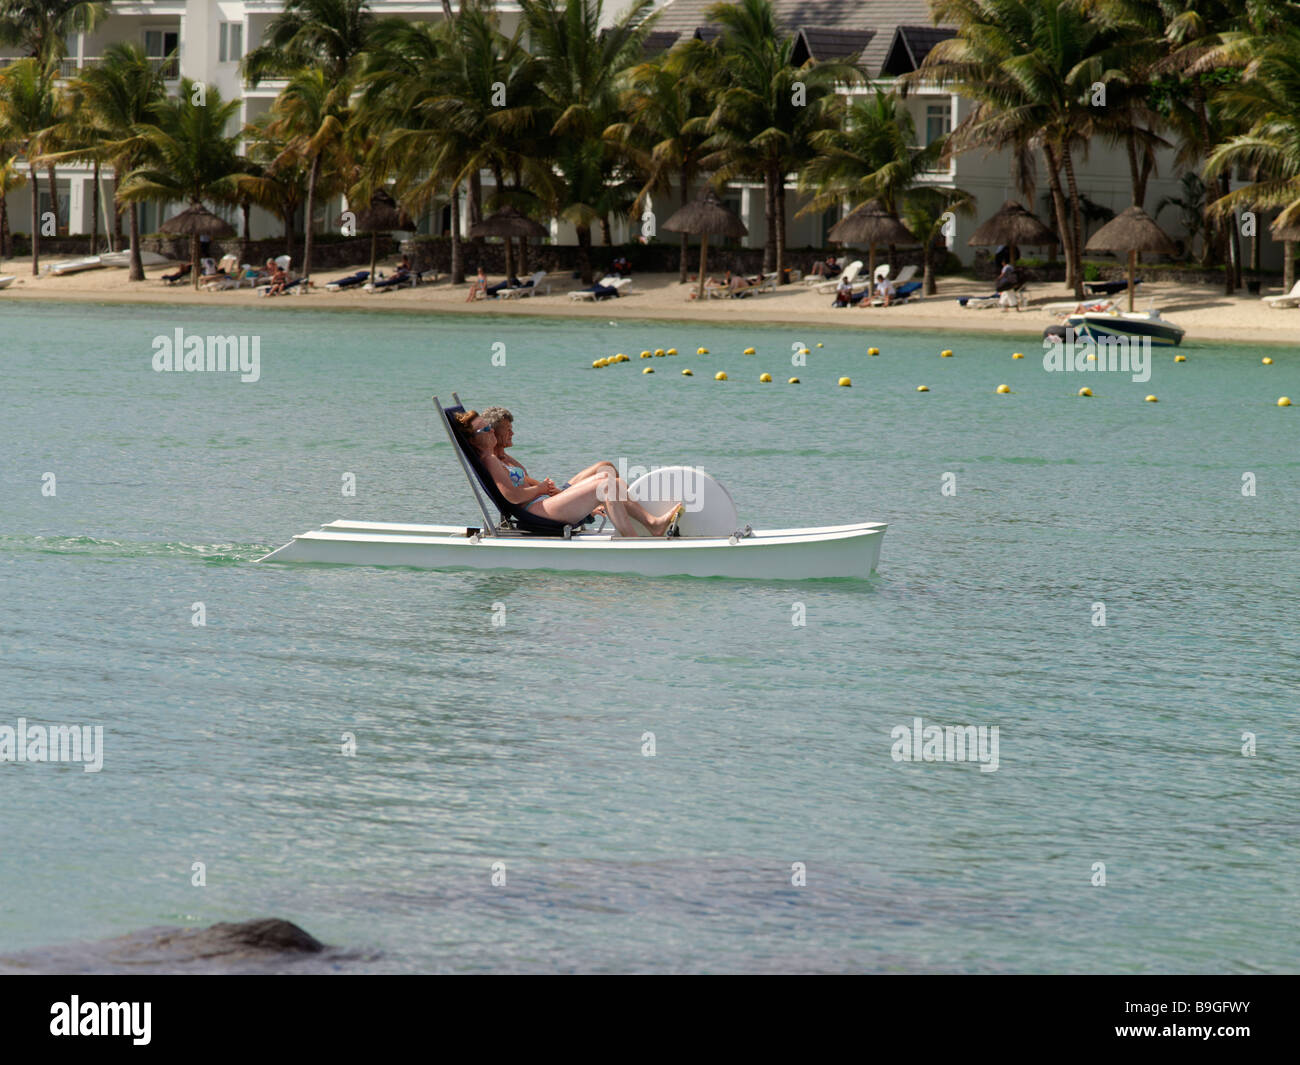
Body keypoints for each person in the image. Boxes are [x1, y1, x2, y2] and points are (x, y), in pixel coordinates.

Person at [453, 411, 682, 537]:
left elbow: (520, 485)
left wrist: (547, 489)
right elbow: (512, 496)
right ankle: (633, 540)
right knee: (605, 483)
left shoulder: (496, 458)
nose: (491, 431)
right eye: (486, 429)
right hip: (535, 509)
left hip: (540, 502)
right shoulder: (490, 460)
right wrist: (541, 489)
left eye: (491, 427)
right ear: (475, 439)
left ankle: (651, 525)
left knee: (608, 478)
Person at [480, 407, 615, 494]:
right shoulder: (495, 462)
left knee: (605, 467)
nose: (513, 433)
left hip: (552, 495)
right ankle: (628, 512)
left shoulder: (503, 457)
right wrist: (554, 491)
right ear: (495, 432)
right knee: (605, 478)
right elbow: (528, 486)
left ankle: (630, 508)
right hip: (552, 500)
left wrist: (550, 489)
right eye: (508, 430)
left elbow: (529, 482)